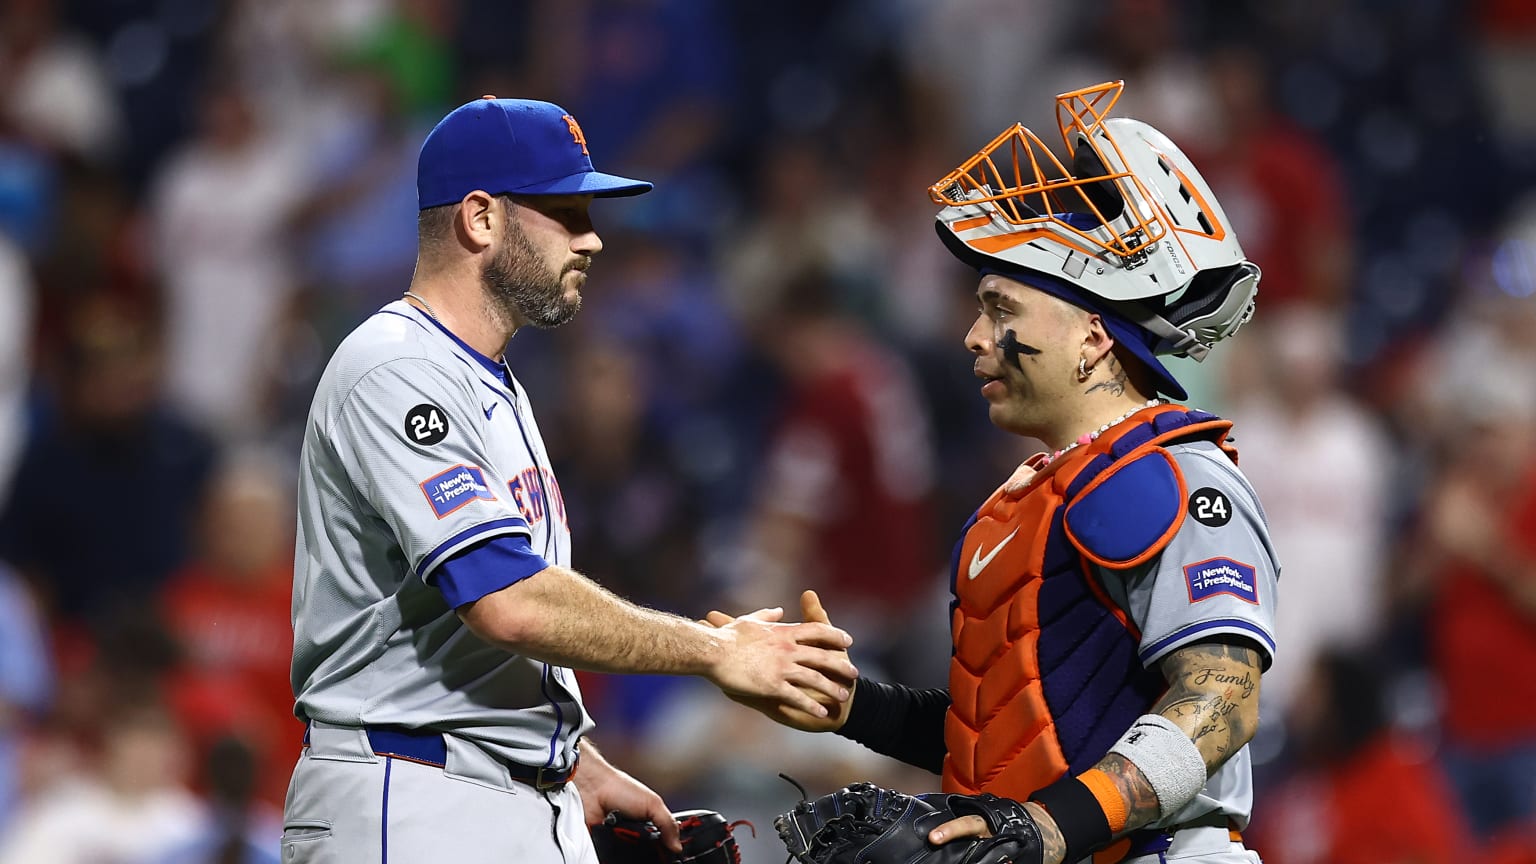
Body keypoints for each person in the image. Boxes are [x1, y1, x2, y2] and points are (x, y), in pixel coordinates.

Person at [282, 96, 858, 863]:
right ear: (481, 219)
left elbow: (473, 633)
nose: (592, 238)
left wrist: (571, 759)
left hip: (488, 789)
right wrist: (717, 651)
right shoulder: (398, 367)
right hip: (410, 797)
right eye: (565, 211)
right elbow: (508, 601)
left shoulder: (490, 380)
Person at [721, 81, 1276, 864]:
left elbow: (1222, 701)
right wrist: (852, 705)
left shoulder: (1177, 477)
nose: (976, 337)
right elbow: (1011, 733)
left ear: (1091, 336)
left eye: (1002, 309)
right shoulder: (1018, 501)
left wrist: (1049, 826)